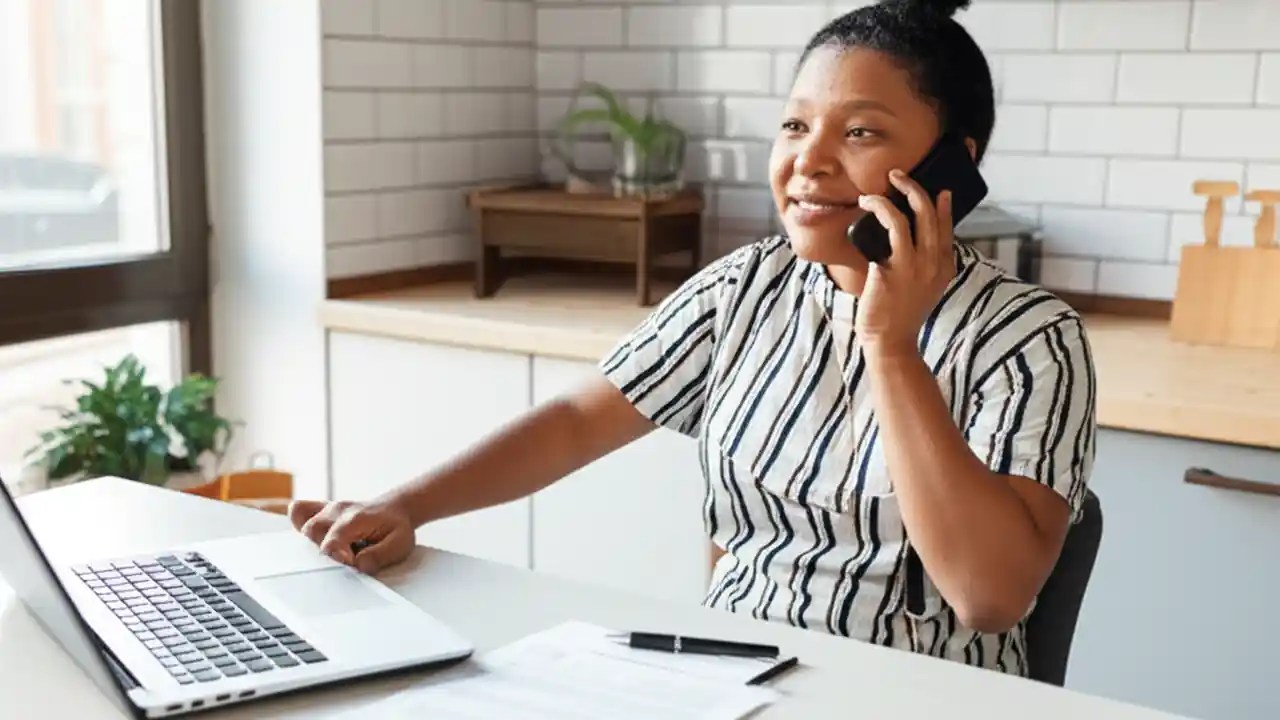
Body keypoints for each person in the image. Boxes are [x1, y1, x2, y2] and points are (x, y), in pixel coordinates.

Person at [290, 0, 1095, 676]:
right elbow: (577, 420)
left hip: (920, 693)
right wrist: (407, 505)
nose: (807, 162)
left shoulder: (1030, 339)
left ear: (955, 165)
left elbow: (989, 596)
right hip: (735, 677)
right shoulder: (746, 286)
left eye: (859, 134)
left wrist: (889, 346)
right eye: (794, 124)